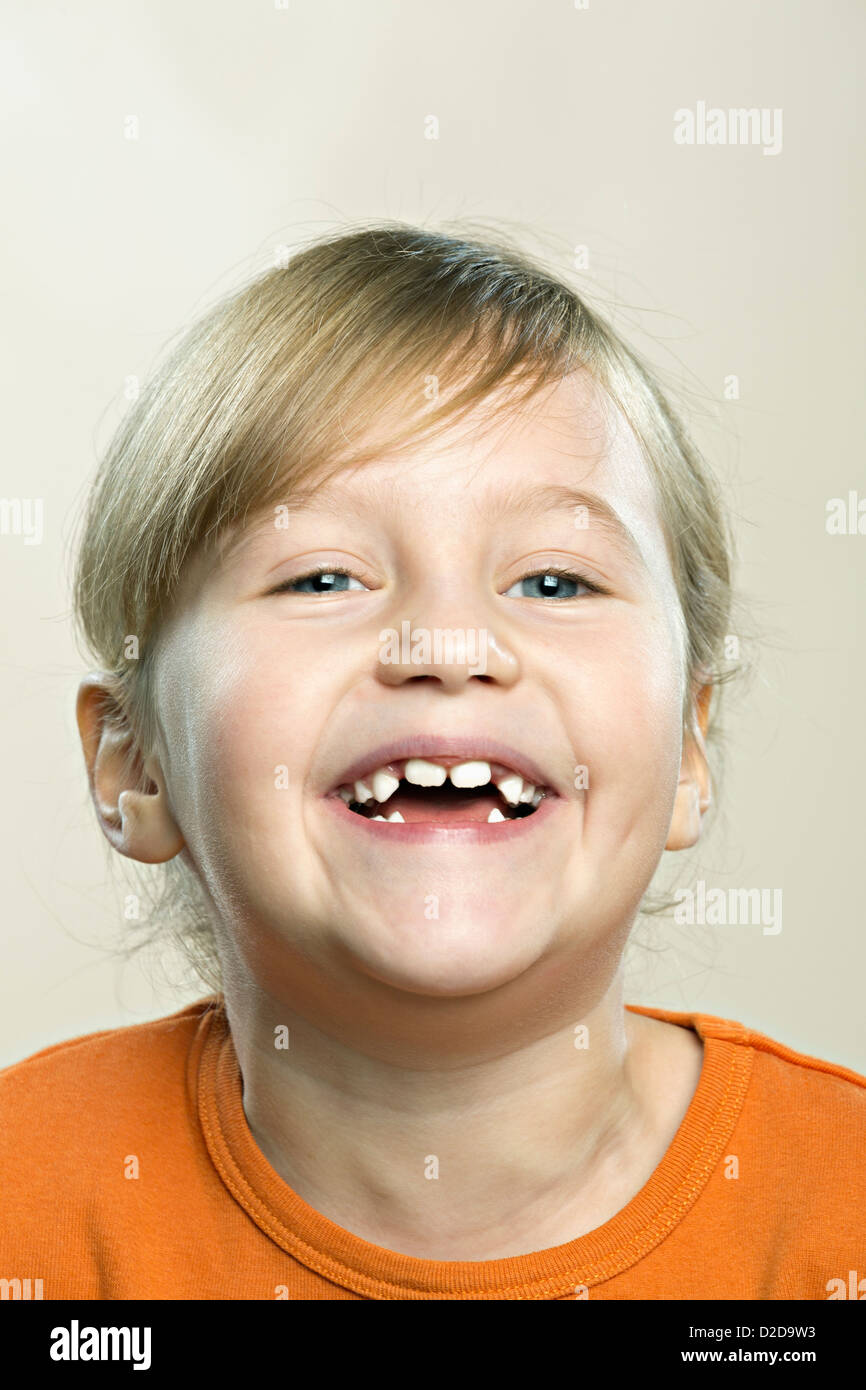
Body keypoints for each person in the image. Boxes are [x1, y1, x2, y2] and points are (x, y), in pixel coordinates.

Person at [2, 223, 863, 1300]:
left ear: (689, 746)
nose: (446, 646)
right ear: (136, 768)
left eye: (553, 582)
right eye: (321, 578)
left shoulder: (839, 1223)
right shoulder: (24, 1214)